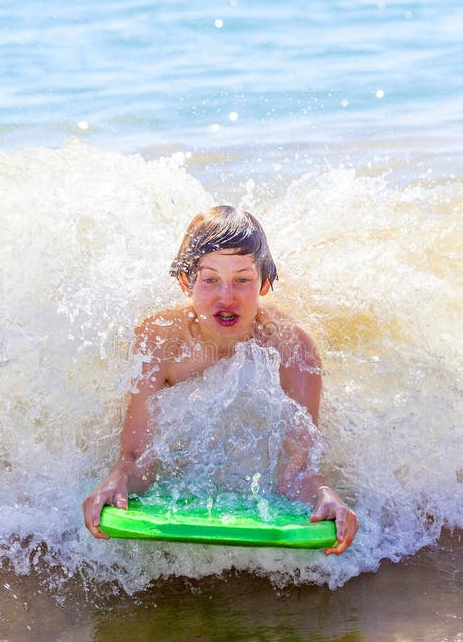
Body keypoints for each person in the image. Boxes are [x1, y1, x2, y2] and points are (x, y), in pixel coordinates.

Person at [82, 205, 358, 555]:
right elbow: (138, 456)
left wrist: (324, 496)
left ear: (265, 284)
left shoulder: (291, 348)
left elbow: (297, 470)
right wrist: (116, 481)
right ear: (186, 282)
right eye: (209, 279)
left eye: (242, 280)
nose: (226, 297)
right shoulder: (160, 341)